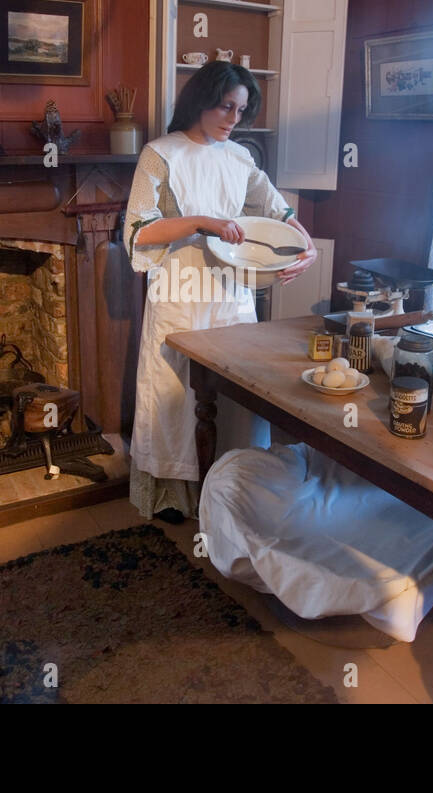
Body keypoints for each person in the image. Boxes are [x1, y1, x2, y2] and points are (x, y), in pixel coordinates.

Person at [123, 61, 317, 522]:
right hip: (180, 292)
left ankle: (233, 491)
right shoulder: (160, 153)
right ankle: (175, 495)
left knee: (235, 388)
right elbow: (136, 232)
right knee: (174, 392)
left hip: (231, 293)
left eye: (241, 110)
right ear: (201, 100)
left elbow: (277, 208)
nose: (234, 119)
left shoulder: (239, 157)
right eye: (226, 106)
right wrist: (200, 221)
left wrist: (304, 245)